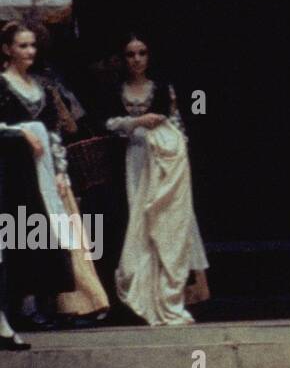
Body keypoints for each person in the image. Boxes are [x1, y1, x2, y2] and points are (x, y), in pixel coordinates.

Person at [0, 21, 109, 326]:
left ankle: (48, 303)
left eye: (32, 45)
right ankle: (22, 306)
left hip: (44, 171)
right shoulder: (2, 85)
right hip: (14, 173)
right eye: (22, 45)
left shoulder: (42, 87)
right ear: (8, 49)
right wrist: (19, 133)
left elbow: (55, 134)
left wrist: (61, 172)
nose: (29, 51)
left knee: (50, 233)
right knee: (20, 231)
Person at [104, 34, 210, 326]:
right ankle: (140, 295)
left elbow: (177, 124)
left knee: (168, 219)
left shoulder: (162, 88)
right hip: (133, 158)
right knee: (138, 220)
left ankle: (172, 294)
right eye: (130, 54)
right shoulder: (117, 90)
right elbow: (109, 123)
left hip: (163, 159)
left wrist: (174, 152)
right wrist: (136, 121)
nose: (136, 59)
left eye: (142, 53)